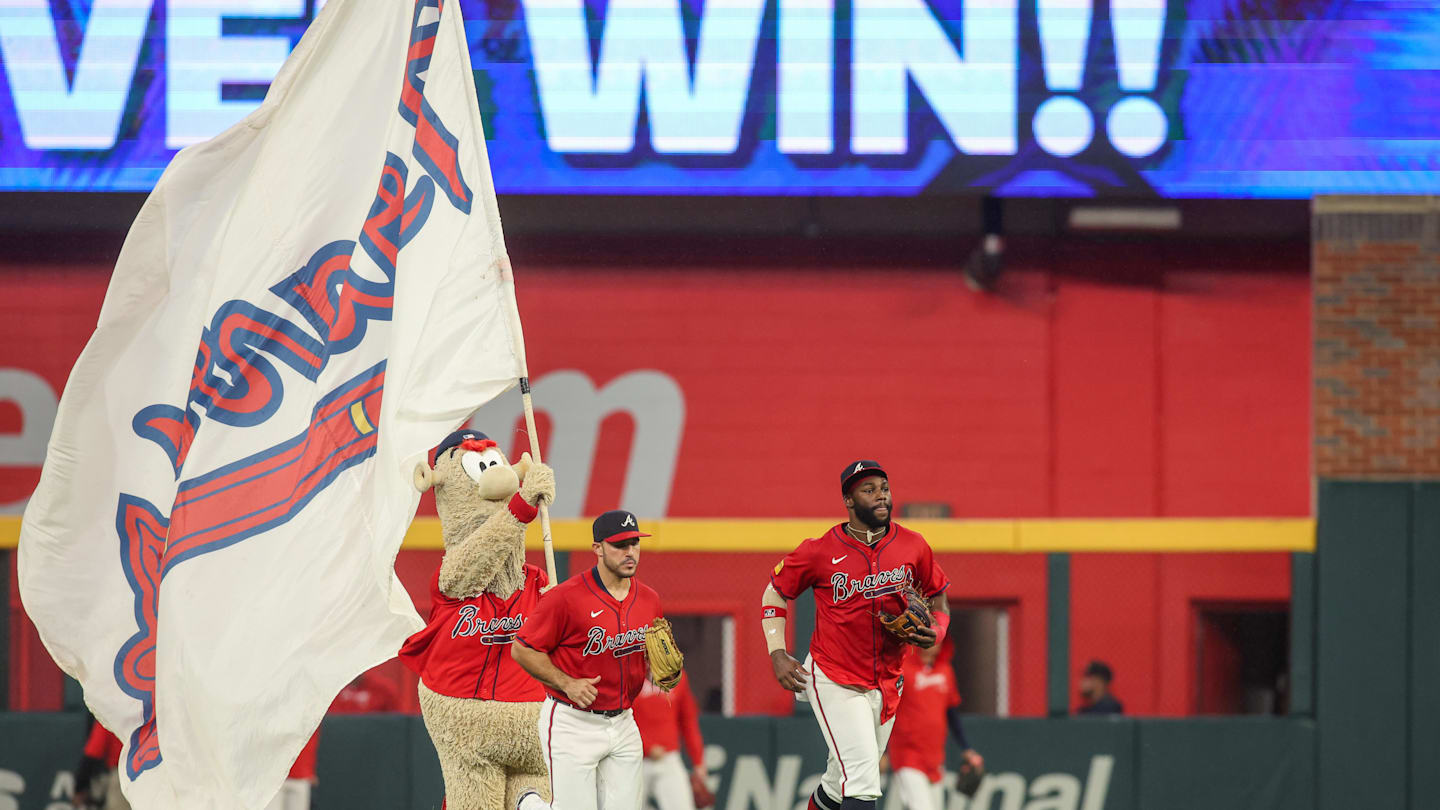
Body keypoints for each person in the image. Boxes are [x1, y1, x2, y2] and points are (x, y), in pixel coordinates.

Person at [762, 460, 951, 810]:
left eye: (884, 487)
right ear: (848, 501)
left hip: (887, 683)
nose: (881, 496)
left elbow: (937, 594)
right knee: (863, 781)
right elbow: (775, 592)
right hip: (835, 677)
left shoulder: (913, 545)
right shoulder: (819, 550)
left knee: (838, 784)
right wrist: (777, 651)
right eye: (868, 490)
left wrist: (937, 630)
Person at [513, 509, 666, 810]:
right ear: (597, 548)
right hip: (573, 721)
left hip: (623, 722)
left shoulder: (650, 600)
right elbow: (522, 649)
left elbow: (653, 657)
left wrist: (659, 671)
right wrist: (566, 682)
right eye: (619, 545)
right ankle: (527, 804)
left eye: (634, 543)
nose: (630, 552)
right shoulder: (566, 597)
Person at [886, 641, 983, 810]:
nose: (935, 642)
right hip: (907, 754)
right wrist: (882, 751)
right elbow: (886, 710)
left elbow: (952, 714)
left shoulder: (945, 670)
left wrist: (966, 748)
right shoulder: (903, 667)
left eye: (938, 638)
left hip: (935, 758)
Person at [632, 671, 708, 810]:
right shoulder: (630, 671)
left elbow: (688, 720)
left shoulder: (677, 674)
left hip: (668, 757)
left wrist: (698, 761)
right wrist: (646, 746)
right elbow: (620, 718)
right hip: (634, 759)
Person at [72, 717, 128, 810]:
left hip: (123, 775)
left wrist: (79, 788)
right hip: (153, 772)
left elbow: (93, 754)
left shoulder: (109, 716)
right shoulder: (150, 711)